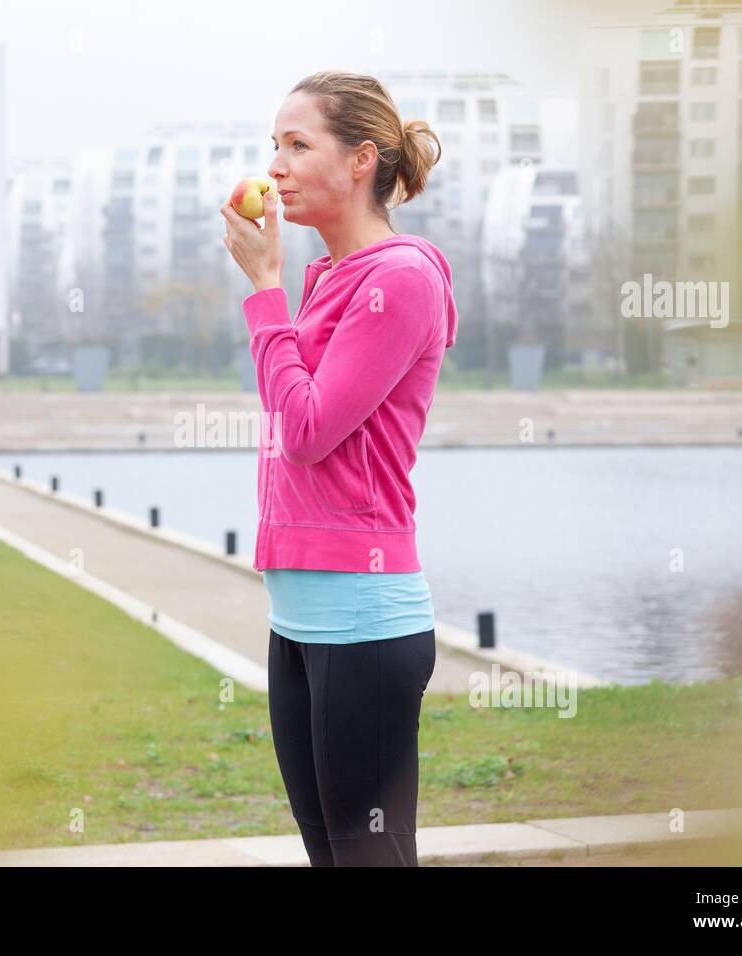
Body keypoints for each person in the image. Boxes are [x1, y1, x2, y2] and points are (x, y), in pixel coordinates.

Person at [221, 71, 456, 867]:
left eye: (298, 145)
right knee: (331, 856)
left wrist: (264, 292)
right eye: (272, 147)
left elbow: (309, 431)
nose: (275, 167)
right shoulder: (329, 279)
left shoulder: (400, 279)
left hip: (365, 617)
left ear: (361, 160)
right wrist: (282, 296)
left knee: (369, 861)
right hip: (298, 616)